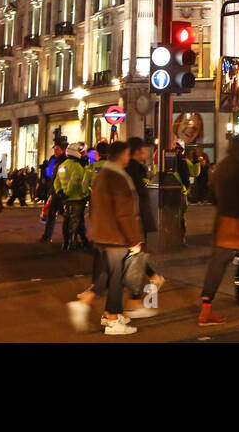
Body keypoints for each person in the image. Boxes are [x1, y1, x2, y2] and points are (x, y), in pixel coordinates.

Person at [70, 142, 145, 335]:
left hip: (102, 233)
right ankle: (112, 319)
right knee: (116, 278)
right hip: (115, 234)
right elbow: (124, 213)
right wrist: (134, 240)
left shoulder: (103, 174)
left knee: (109, 273)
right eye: (127, 154)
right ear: (121, 155)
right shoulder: (118, 178)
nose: (129, 158)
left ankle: (100, 309)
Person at [197, 135, 239, 326]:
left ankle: (207, 305)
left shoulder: (223, 164)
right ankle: (207, 309)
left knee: (218, 262)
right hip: (236, 223)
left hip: (223, 220)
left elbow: (212, 194)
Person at [124, 136, 165, 297]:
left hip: (136, 220)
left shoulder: (132, 171)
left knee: (134, 258)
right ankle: (152, 280)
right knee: (134, 257)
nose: (146, 153)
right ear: (137, 151)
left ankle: (137, 298)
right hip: (137, 219)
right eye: (143, 150)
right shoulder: (134, 171)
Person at [55, 143, 89, 251]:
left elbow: (57, 181)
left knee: (67, 220)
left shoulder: (62, 165)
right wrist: (85, 194)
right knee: (74, 221)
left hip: (65, 198)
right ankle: (71, 243)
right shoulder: (77, 167)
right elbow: (74, 183)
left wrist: (60, 192)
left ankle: (66, 242)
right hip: (76, 198)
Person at [40, 137, 68, 243]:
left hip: (63, 192)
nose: (55, 152)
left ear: (63, 150)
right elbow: (51, 175)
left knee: (66, 216)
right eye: (54, 150)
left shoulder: (65, 161)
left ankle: (69, 238)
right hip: (55, 192)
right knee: (51, 214)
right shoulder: (55, 160)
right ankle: (47, 236)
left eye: (57, 150)